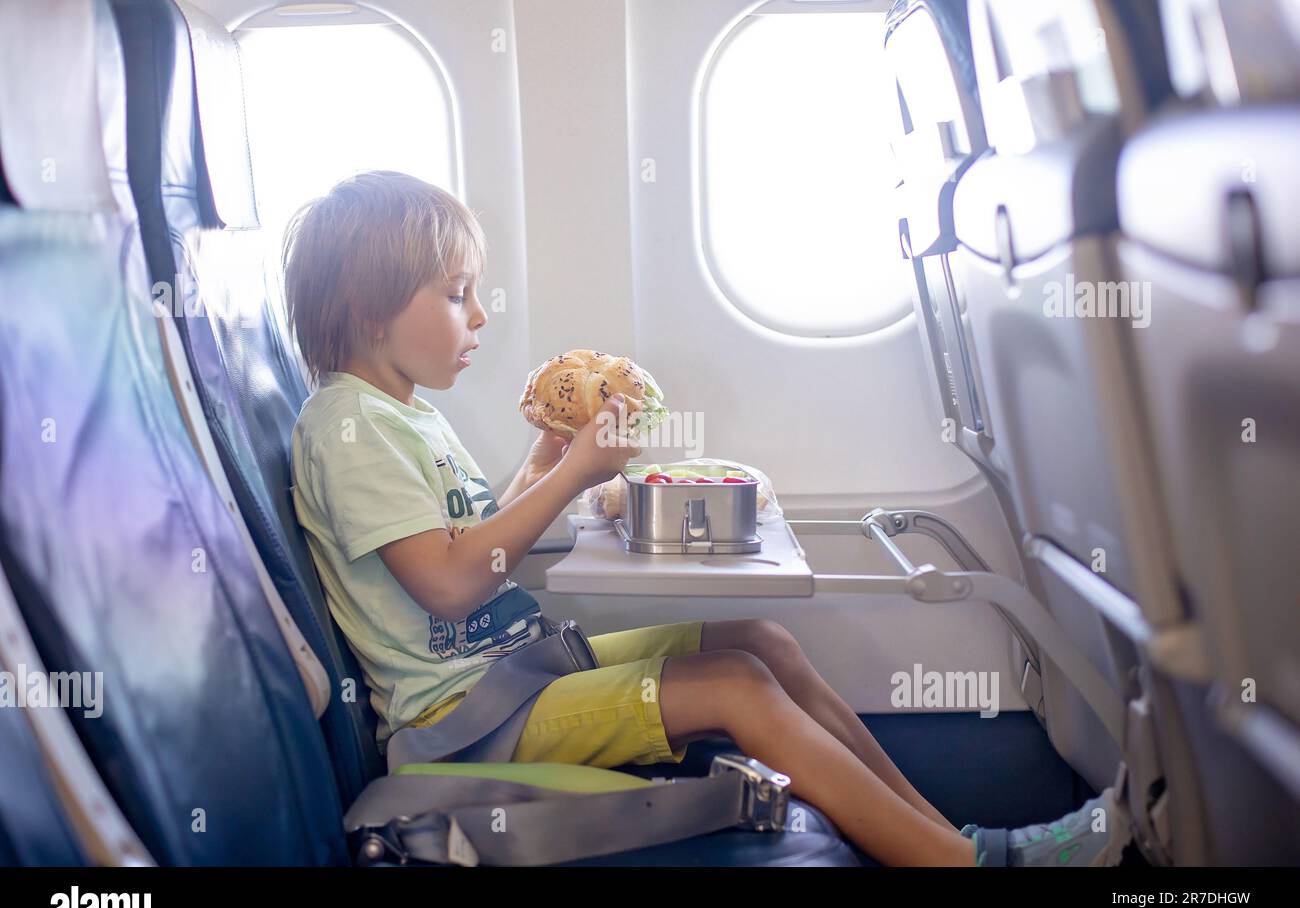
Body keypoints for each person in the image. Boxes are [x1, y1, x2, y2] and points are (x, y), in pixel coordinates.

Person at [286, 170, 1131, 867]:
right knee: (734, 686)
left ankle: (947, 838)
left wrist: (547, 458)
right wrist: (580, 469)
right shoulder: (347, 427)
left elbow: (480, 540)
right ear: (371, 311)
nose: (478, 317)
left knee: (757, 639)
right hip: (464, 722)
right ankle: (972, 867)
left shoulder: (404, 416)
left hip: (511, 675)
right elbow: (446, 583)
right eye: (457, 295)